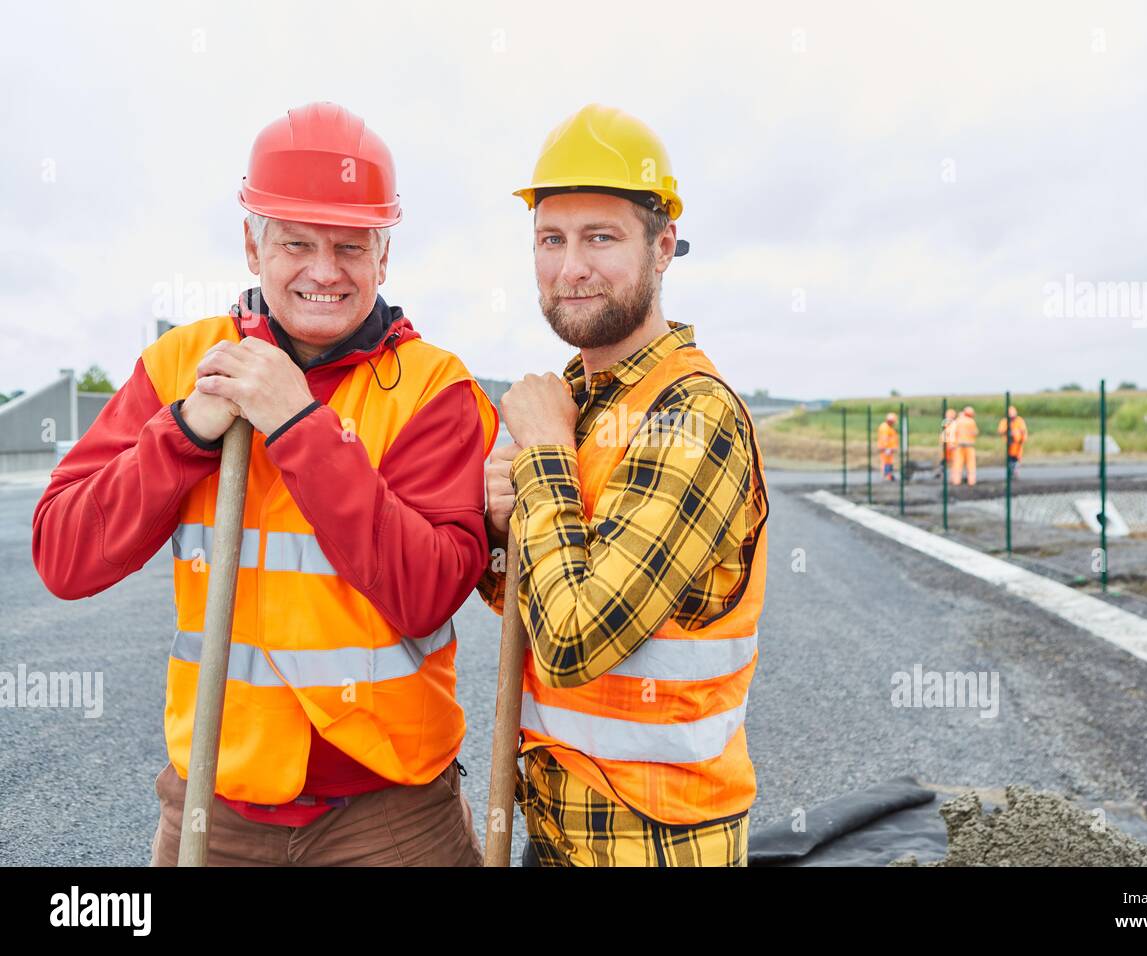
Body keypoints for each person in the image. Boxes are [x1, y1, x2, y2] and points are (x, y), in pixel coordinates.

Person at [32, 102, 498, 866]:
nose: (323, 270)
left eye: (350, 246)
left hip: (390, 816)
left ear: (386, 255)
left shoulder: (432, 387)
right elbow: (63, 556)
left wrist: (297, 424)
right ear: (252, 245)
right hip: (214, 810)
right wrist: (182, 433)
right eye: (295, 242)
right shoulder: (182, 368)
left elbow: (427, 592)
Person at [477, 103, 768, 866]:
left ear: (663, 245)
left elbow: (577, 638)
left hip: (657, 841)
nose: (570, 266)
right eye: (551, 239)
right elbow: (531, 602)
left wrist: (542, 457)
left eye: (599, 237)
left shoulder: (691, 413)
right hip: (558, 825)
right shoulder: (580, 401)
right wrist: (500, 529)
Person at [997, 405, 1028, 478]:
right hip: (1009, 444)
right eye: (1011, 417)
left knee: (1016, 458)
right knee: (1010, 459)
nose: (1012, 418)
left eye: (1013, 417)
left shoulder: (1020, 420)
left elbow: (1023, 431)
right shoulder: (1004, 421)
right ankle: (1011, 472)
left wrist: (1022, 439)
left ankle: (1015, 472)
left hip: (1018, 443)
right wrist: (1008, 431)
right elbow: (1000, 431)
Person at [951, 405, 979, 486]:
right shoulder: (971, 421)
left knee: (958, 464)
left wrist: (952, 444)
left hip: (959, 446)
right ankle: (971, 481)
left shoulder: (957, 421)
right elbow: (975, 432)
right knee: (971, 464)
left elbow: (953, 433)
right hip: (969, 446)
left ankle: (956, 481)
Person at [877, 411, 899, 481]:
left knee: (889, 462)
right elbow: (884, 439)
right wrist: (886, 448)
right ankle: (887, 476)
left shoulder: (888, 427)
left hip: (889, 448)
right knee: (886, 462)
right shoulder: (885, 428)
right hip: (886, 449)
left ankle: (889, 475)